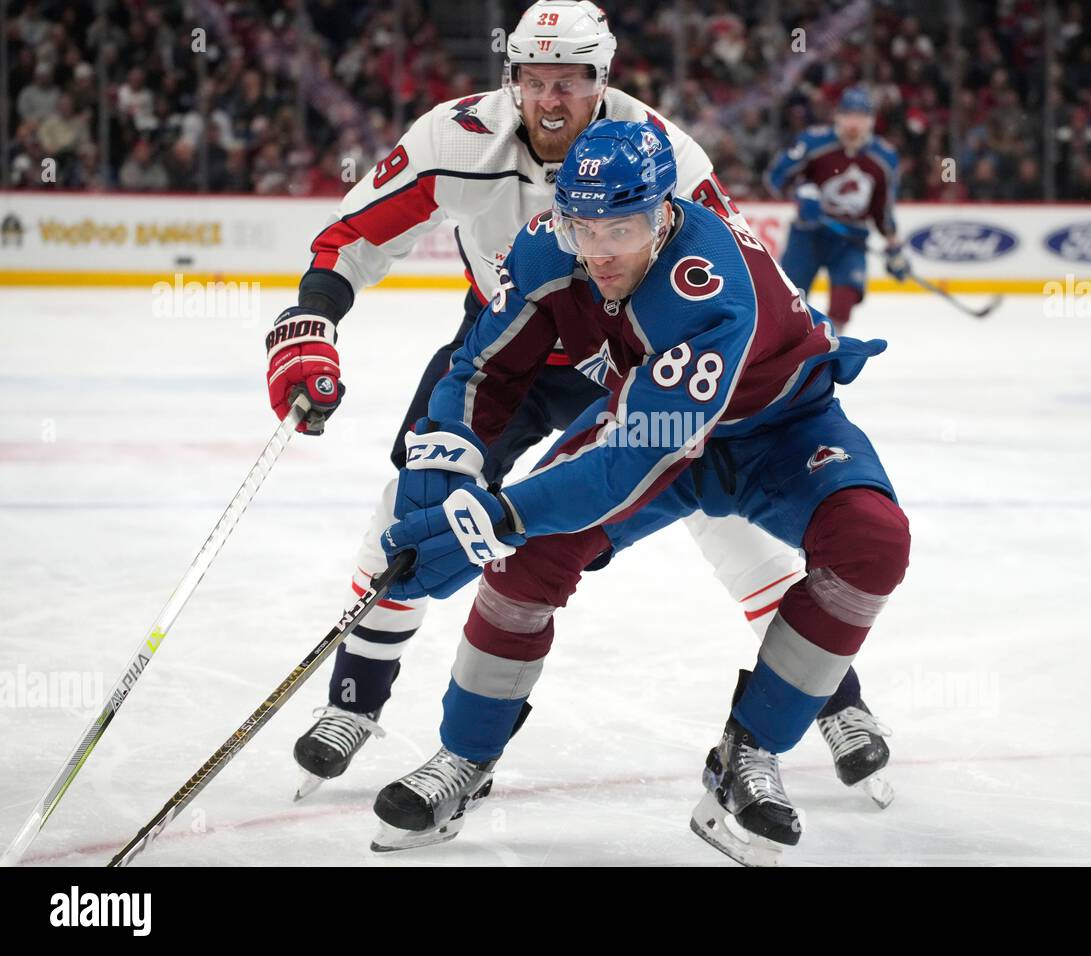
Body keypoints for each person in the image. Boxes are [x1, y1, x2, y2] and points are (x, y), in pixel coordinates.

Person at [263, 1, 894, 807]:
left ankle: (828, 696)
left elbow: (733, 271)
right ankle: (354, 700)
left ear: (603, 79)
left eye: (569, 81)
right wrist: (312, 319)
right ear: (511, 78)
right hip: (514, 342)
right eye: (534, 80)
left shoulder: (663, 151)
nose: (550, 99)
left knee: (724, 520)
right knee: (413, 498)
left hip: (635, 357)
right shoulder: (452, 138)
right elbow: (355, 235)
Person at [370, 119, 912, 866]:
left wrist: (501, 513)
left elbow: (630, 460)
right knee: (525, 566)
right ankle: (464, 755)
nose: (598, 251)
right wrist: (441, 468)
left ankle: (750, 751)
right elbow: (484, 369)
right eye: (582, 227)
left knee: (872, 544)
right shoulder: (547, 247)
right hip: (650, 416)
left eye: (621, 228)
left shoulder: (708, 284)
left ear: (664, 215)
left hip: (776, 428)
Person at [765, 86, 907, 330]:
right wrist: (799, 195)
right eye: (848, 115)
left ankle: (831, 345)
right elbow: (775, 178)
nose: (853, 123)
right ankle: (790, 348)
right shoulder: (813, 142)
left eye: (861, 116)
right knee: (789, 302)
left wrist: (893, 246)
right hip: (808, 233)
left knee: (843, 303)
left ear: (871, 121)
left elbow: (882, 209)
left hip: (851, 238)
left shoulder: (884, 157)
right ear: (837, 117)